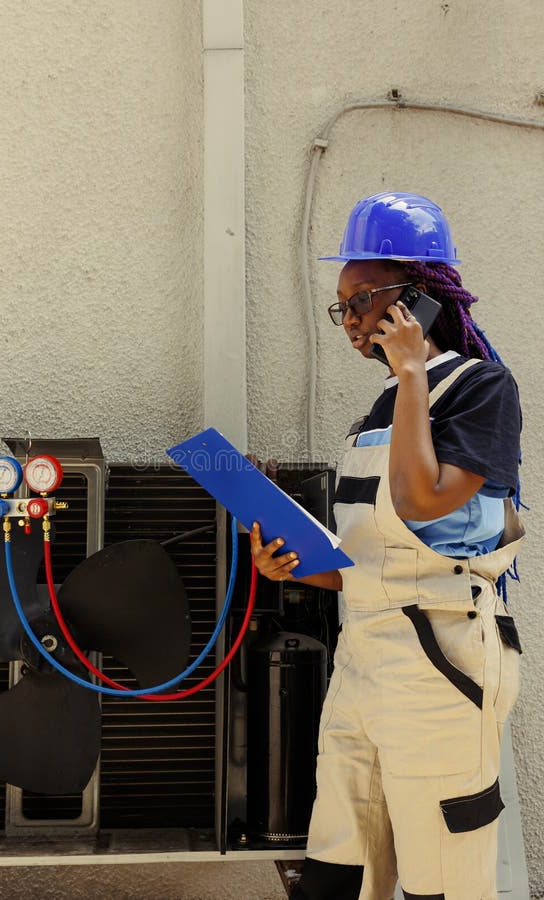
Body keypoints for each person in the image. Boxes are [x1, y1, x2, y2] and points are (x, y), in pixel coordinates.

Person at [251, 192, 524, 900]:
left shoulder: (479, 386)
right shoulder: (378, 411)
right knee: (340, 868)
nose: (351, 321)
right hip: (364, 660)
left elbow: (420, 500)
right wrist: (300, 568)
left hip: (439, 659)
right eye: (341, 306)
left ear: (421, 295)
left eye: (364, 299)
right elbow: (377, 561)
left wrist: (410, 374)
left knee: (442, 877)